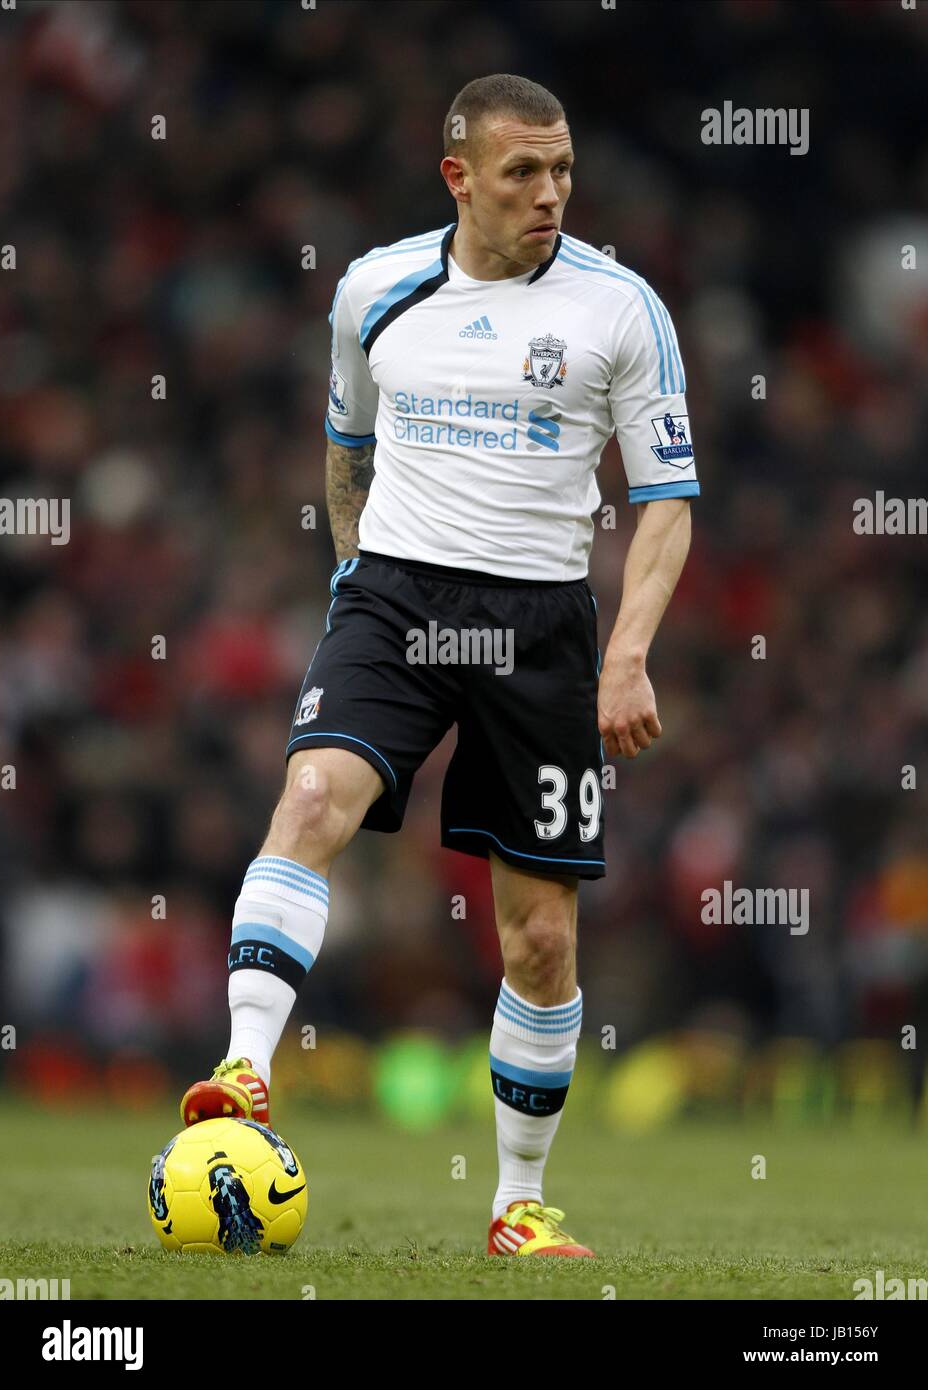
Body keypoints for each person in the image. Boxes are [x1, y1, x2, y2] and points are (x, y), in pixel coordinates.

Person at [180, 73, 698, 1258]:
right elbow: (345, 449)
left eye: (563, 168)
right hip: (397, 599)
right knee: (309, 798)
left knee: (540, 940)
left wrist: (628, 656)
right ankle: (244, 1070)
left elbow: (666, 502)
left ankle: (517, 1201)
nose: (551, 192)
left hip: (544, 629)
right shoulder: (376, 289)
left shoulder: (623, 309)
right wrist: (355, 577)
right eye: (523, 171)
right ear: (458, 176)